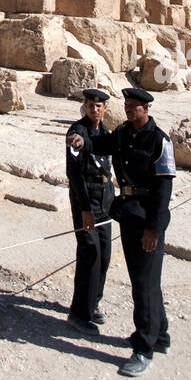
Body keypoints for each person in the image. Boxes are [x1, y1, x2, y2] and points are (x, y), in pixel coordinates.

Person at [68, 83, 176, 378]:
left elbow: (164, 190)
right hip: (128, 213)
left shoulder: (159, 140)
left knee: (145, 283)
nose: (129, 112)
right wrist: (82, 143)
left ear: (146, 109)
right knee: (143, 280)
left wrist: (154, 228)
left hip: (148, 219)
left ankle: (144, 348)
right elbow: (102, 145)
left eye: (133, 109)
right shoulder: (124, 134)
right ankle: (160, 335)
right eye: (126, 109)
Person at [65, 87, 114, 336]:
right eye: (91, 105)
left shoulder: (105, 132)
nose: (95, 109)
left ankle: (93, 302)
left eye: (99, 105)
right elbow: (74, 174)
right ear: (85, 106)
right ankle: (78, 313)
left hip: (105, 200)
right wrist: (84, 209)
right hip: (86, 200)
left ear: (105, 108)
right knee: (90, 253)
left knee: (105, 254)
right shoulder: (77, 132)